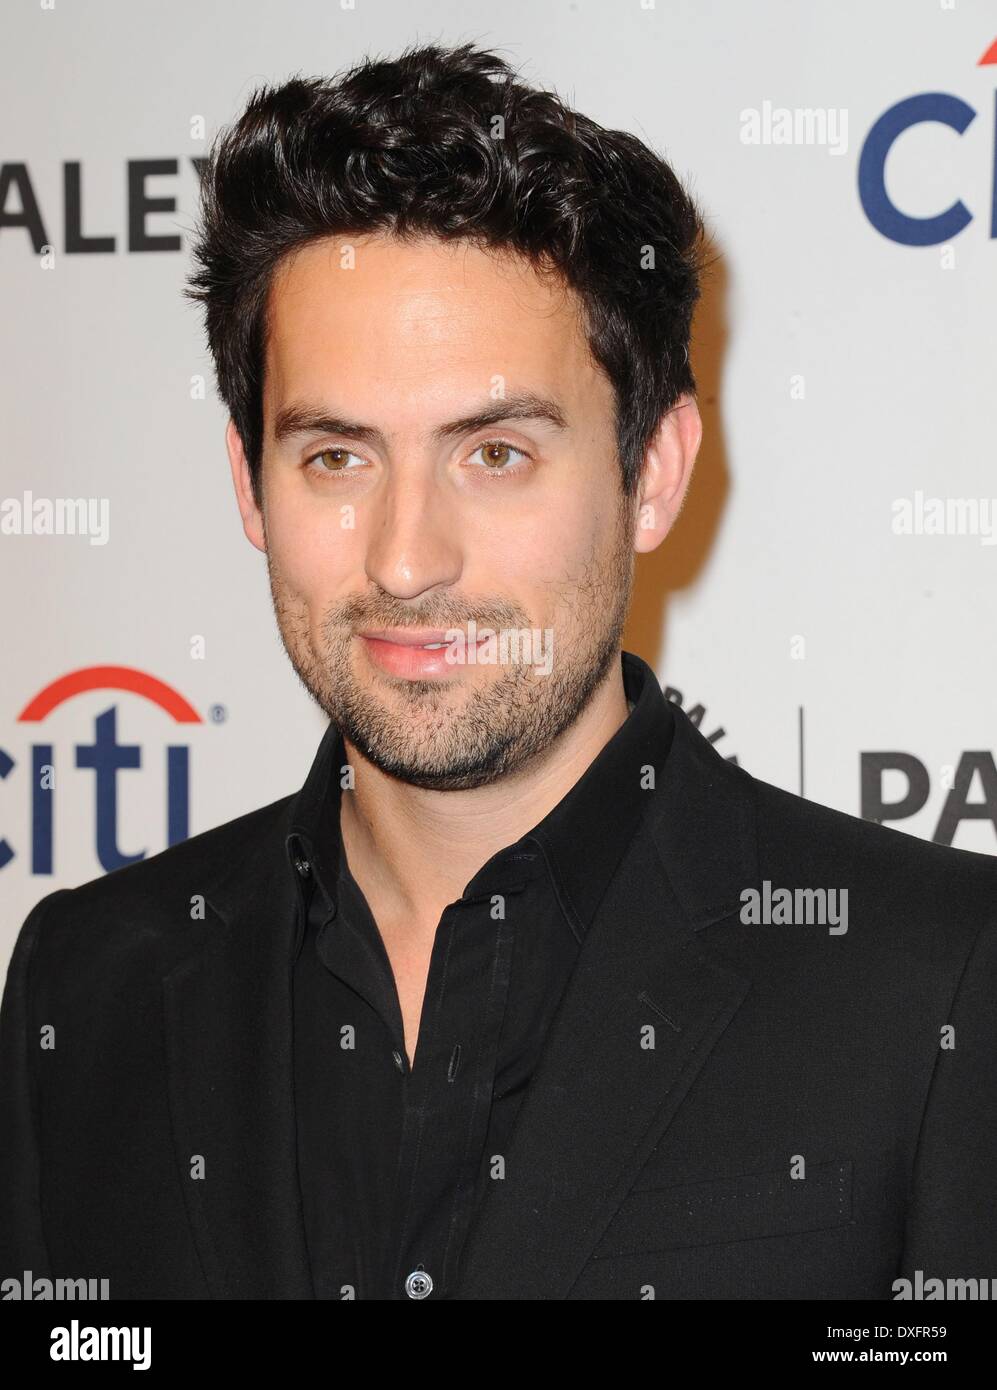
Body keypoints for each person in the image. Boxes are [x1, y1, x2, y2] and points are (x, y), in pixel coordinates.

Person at [2, 41, 995, 1302]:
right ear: (249, 485)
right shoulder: (87, 984)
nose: (408, 558)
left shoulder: (934, 982)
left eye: (495, 453)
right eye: (336, 457)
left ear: (653, 473)